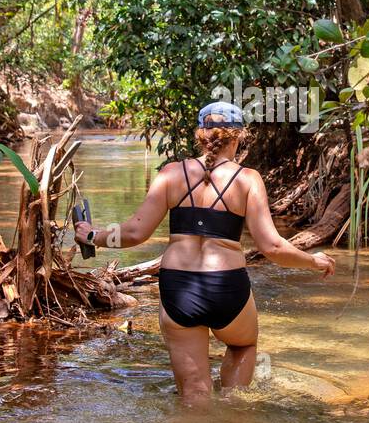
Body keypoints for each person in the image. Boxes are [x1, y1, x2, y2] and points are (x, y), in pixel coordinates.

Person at [74, 101, 336, 400]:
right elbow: (273, 247)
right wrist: (314, 261)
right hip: (226, 285)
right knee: (242, 346)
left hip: (179, 287)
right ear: (237, 136)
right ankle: (232, 418)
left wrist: (92, 235)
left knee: (194, 394)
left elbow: (134, 233)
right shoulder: (248, 179)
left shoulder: (171, 173)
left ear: (200, 134)